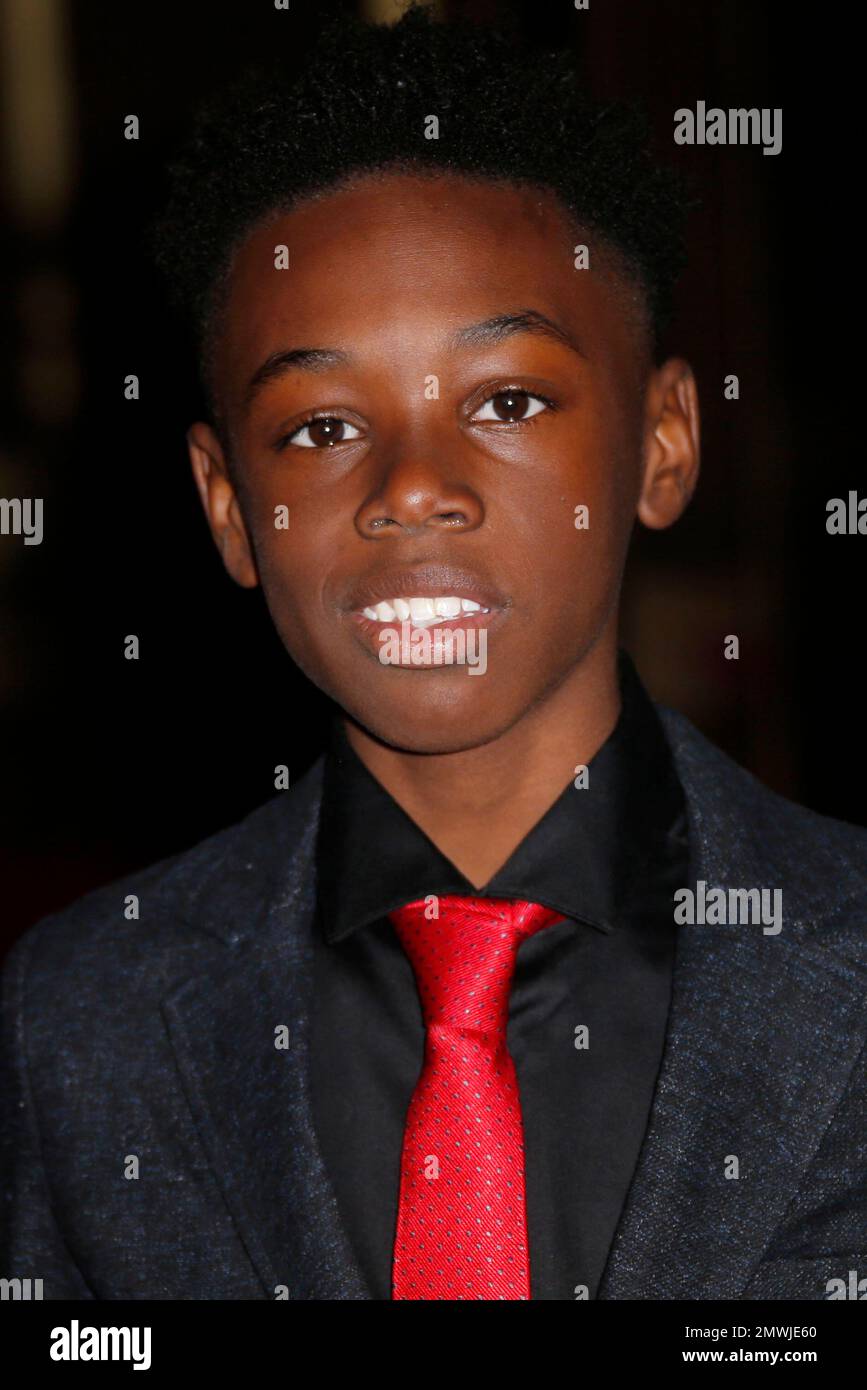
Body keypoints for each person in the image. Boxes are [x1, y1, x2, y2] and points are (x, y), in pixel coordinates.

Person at [2, 5, 864, 1302]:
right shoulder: (81, 1018)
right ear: (230, 508)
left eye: (507, 401)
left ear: (664, 443)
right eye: (321, 424)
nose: (413, 487)